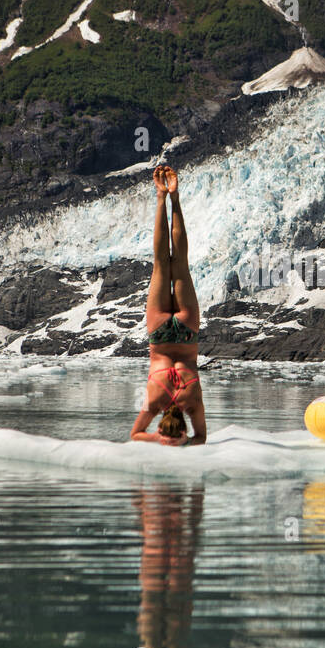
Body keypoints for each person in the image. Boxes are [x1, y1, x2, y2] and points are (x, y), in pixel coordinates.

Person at [131, 165, 206, 446]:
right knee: (162, 263)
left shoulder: (192, 404)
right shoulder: (154, 402)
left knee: (180, 264)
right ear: (161, 425)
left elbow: (201, 437)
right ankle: (162, 197)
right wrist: (158, 438)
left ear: (181, 427)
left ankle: (173, 198)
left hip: (187, 333)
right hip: (160, 334)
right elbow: (136, 434)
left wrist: (183, 441)